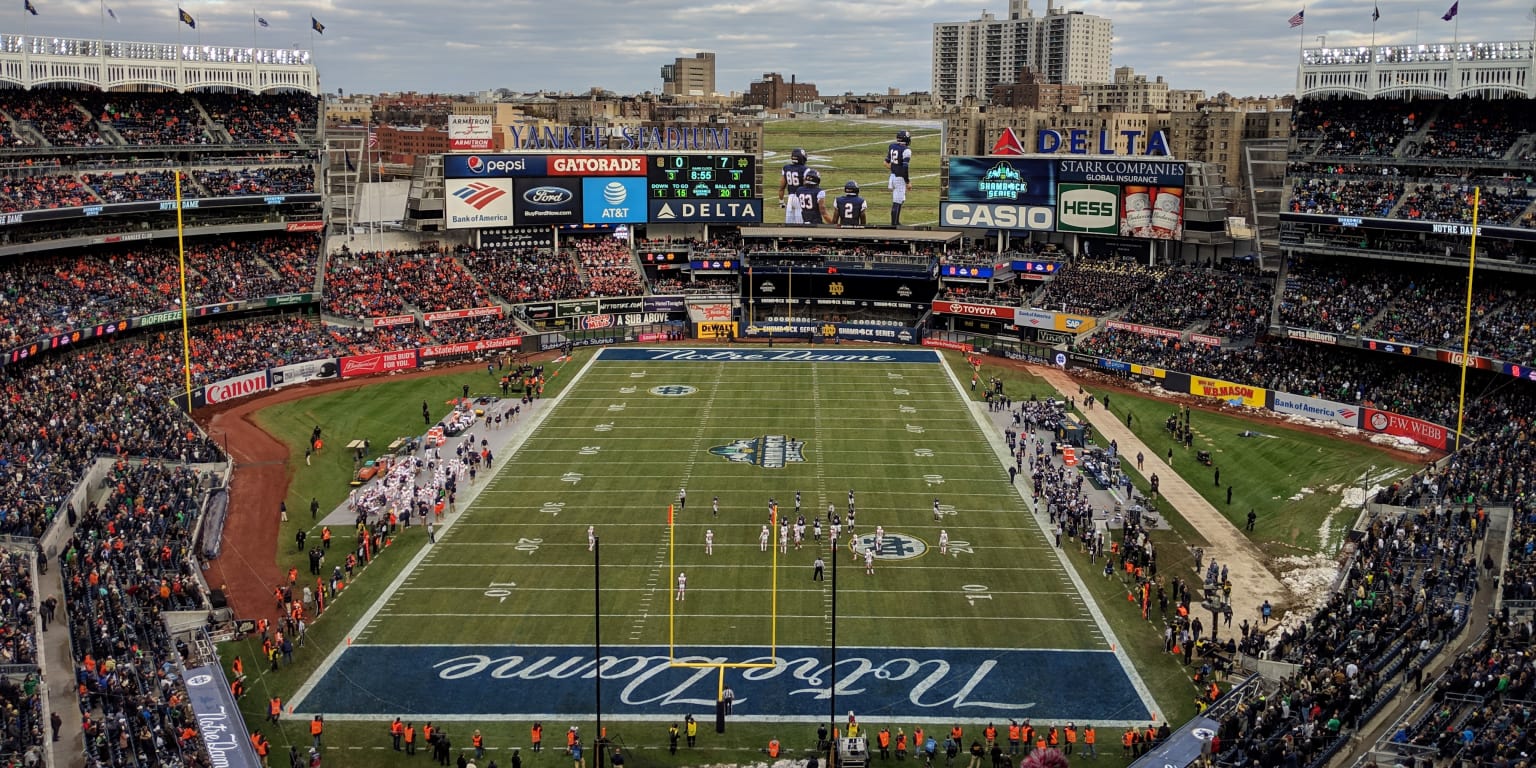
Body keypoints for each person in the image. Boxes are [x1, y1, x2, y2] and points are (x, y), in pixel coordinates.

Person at [884, 129, 912, 225]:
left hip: (892, 176)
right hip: (899, 177)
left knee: (899, 200)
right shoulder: (906, 150)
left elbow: (885, 163)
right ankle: (894, 223)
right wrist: (908, 182)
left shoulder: (892, 146)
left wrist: (894, 169)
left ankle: (896, 222)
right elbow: (905, 168)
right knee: (897, 201)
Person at [778, 148, 808, 224]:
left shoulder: (786, 168)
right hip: (800, 198)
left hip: (790, 198)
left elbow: (781, 187)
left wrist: (781, 201)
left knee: (789, 225)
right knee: (800, 225)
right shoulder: (805, 169)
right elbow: (807, 187)